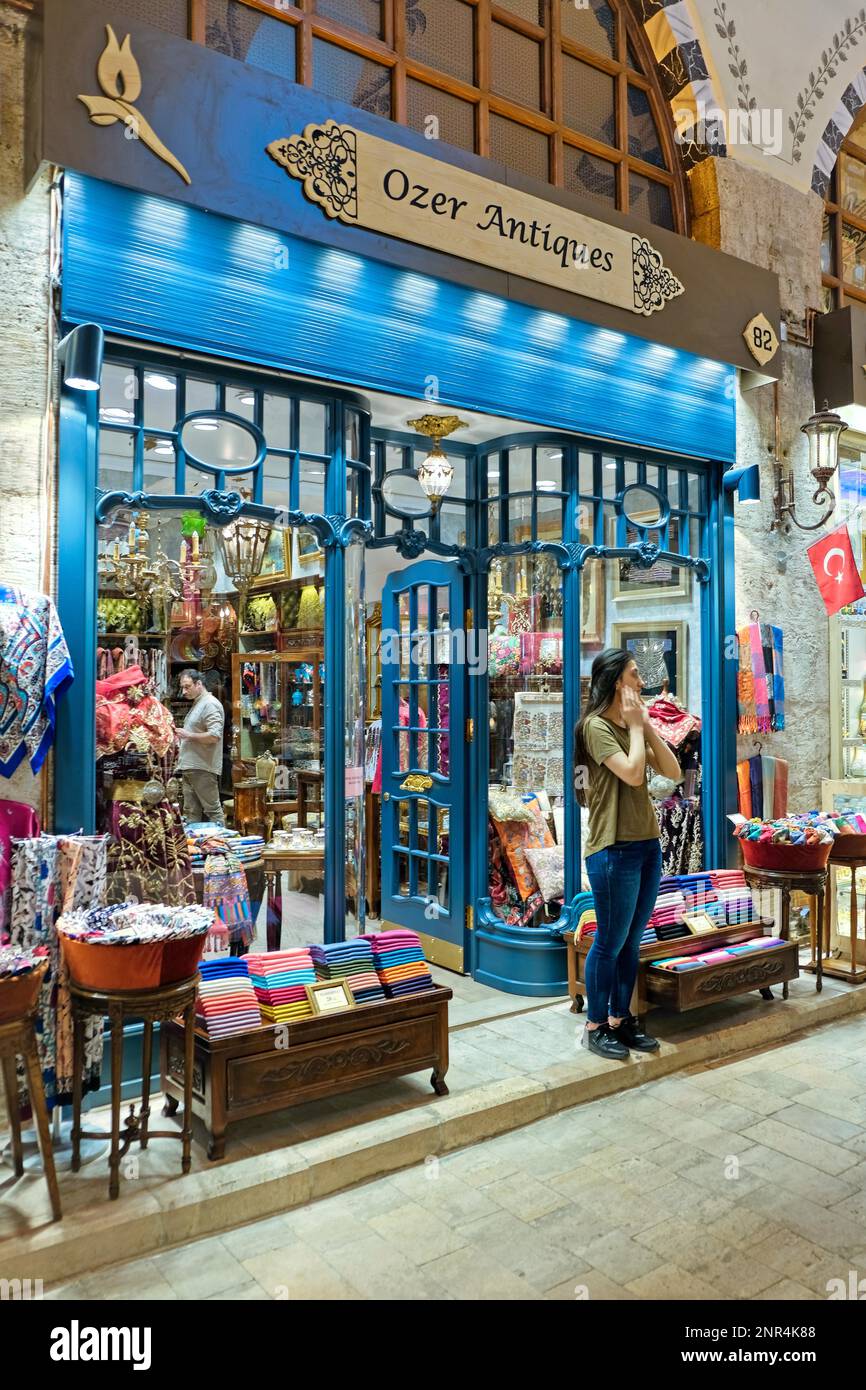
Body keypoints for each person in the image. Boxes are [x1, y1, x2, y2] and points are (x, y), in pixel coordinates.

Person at [574, 648, 682, 1061]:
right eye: (636, 675)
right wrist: (636, 728)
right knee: (609, 941)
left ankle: (621, 1019)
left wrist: (647, 724)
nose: (642, 682)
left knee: (632, 939)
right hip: (612, 849)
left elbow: (671, 772)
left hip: (645, 846)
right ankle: (595, 1025)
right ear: (618, 681)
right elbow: (635, 773)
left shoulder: (633, 724)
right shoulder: (595, 727)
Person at [176, 669, 225, 826]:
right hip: (191, 766)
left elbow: (214, 736)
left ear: (199, 684)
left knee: (213, 811)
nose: (184, 691)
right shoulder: (200, 703)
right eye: (182, 687)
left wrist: (188, 735)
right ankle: (194, 848)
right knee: (190, 812)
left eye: (187, 686)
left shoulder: (210, 704)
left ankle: (222, 846)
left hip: (202, 767)